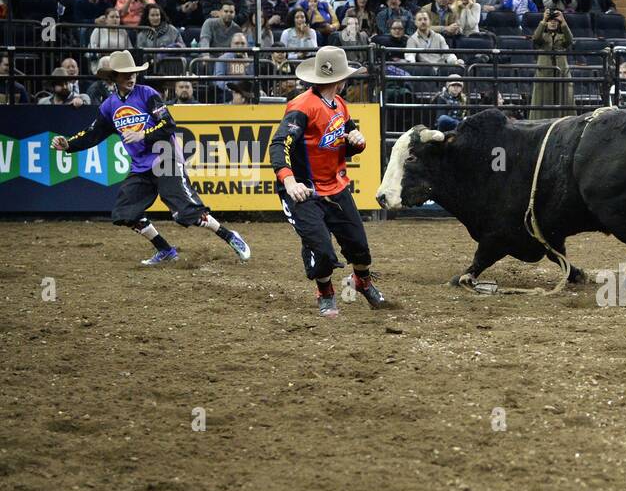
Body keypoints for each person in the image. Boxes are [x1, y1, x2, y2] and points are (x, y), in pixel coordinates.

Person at [51, 51, 251, 267]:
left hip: (165, 158)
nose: (131, 77)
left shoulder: (147, 94)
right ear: (113, 78)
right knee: (124, 213)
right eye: (124, 74)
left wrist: (142, 135)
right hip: (141, 167)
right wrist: (69, 144)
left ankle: (230, 236)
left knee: (187, 213)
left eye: (133, 73)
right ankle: (165, 250)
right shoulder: (109, 106)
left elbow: (168, 124)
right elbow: (93, 133)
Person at [269, 45, 387, 318]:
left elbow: (346, 140)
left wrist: (357, 143)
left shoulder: (340, 106)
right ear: (341, 79)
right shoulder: (302, 107)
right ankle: (325, 292)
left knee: (358, 245)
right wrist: (289, 182)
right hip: (304, 191)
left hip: (335, 187)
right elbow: (279, 145)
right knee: (321, 249)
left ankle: (362, 282)